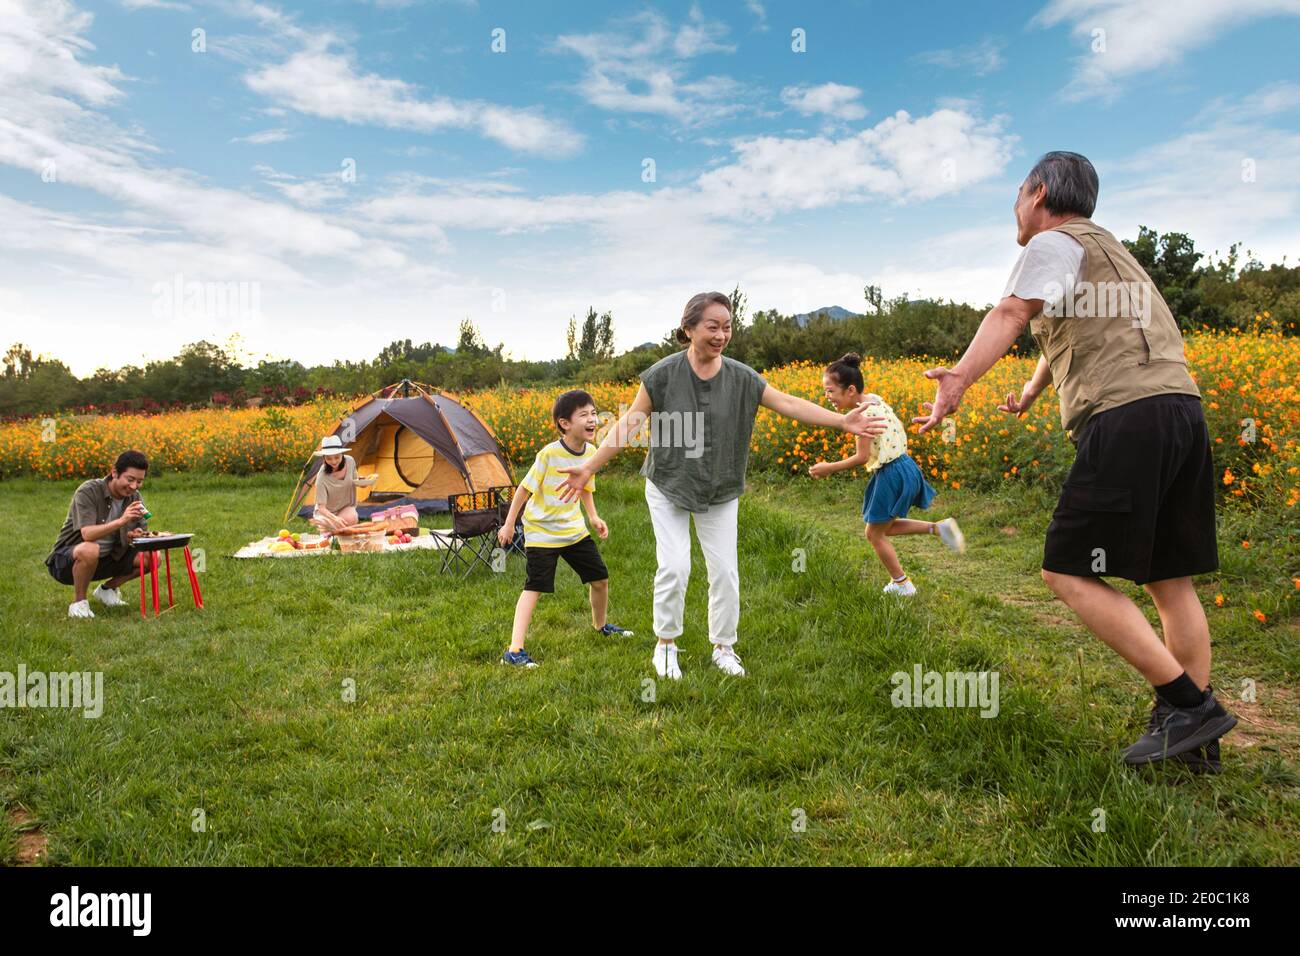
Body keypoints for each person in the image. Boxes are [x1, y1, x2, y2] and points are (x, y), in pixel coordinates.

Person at [913, 150, 1234, 771]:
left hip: (1126, 415)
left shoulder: (1051, 243)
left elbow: (1012, 311)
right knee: (1171, 580)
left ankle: (1187, 706)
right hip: (1179, 411)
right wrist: (1034, 390)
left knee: (1065, 570)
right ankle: (1196, 745)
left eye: (1017, 193)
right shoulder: (1109, 250)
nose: (1015, 205)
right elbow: (1072, 322)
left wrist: (958, 380)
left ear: (1037, 193)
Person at [555, 292, 885, 680]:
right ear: (689, 328)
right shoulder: (662, 375)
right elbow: (628, 424)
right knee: (675, 566)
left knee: (725, 572)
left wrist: (842, 422)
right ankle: (665, 644)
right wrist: (589, 467)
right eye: (712, 326)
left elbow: (790, 404)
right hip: (669, 485)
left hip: (720, 488)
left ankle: (723, 647)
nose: (721, 335)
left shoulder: (742, 377)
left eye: (727, 327)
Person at [496, 390, 633, 667]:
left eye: (594, 413)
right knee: (534, 587)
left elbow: (584, 488)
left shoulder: (592, 453)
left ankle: (601, 626)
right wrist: (509, 523)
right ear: (565, 423)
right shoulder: (548, 454)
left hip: (573, 531)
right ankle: (514, 651)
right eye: (584, 414)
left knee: (600, 579)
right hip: (542, 533)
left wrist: (593, 517)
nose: (593, 419)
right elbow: (524, 489)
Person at [811, 353, 965, 595]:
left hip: (892, 473)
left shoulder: (861, 417)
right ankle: (938, 528)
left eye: (830, 391)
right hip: (906, 466)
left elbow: (861, 457)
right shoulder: (874, 399)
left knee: (873, 533)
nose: (827, 396)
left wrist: (828, 467)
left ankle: (902, 584)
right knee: (885, 528)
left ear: (850, 390)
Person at [46, 449, 149, 619]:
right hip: (67, 562)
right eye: (130, 479)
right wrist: (122, 521)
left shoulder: (135, 496)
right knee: (90, 549)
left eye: (139, 481)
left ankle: (107, 591)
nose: (134, 486)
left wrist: (136, 534)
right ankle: (79, 604)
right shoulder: (88, 491)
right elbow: (87, 534)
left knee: (152, 557)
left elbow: (141, 530)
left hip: (108, 558)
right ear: (114, 472)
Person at [308, 435, 377, 532]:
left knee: (351, 518)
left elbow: (355, 480)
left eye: (337, 457)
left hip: (345, 507)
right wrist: (335, 518)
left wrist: (363, 483)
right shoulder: (321, 477)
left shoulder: (350, 461)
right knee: (333, 530)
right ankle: (326, 529)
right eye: (329, 458)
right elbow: (321, 508)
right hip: (326, 513)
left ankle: (339, 531)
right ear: (324, 458)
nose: (334, 461)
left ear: (342, 454)